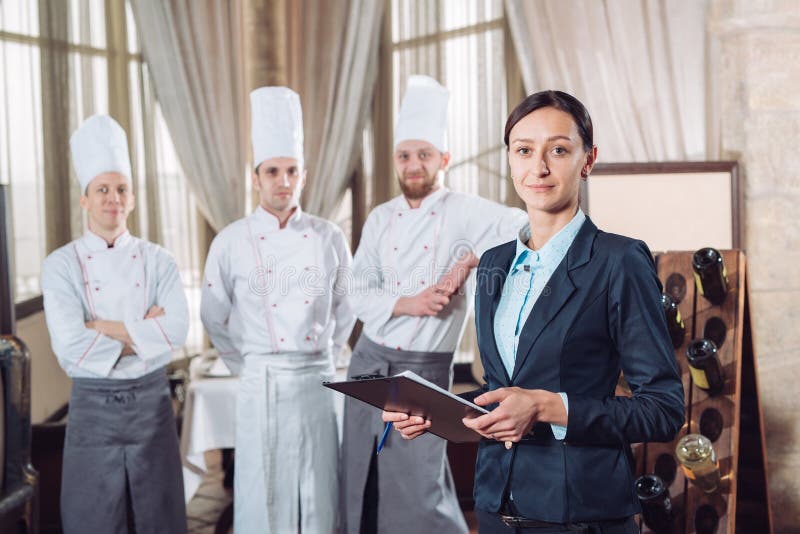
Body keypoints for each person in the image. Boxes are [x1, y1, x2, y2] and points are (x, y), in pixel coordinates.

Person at [385, 90, 686, 533]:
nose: (538, 167)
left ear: (588, 160)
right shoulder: (493, 262)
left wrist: (548, 407)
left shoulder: (618, 261)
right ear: (510, 159)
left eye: (558, 150)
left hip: (581, 512)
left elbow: (662, 409)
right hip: (496, 506)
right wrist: (434, 413)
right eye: (524, 150)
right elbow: (501, 394)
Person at [341, 75, 528, 534]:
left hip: (422, 368)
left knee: (417, 483)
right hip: (368, 360)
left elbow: (526, 226)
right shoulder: (382, 216)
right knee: (359, 476)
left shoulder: (465, 210)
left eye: (424, 155)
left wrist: (466, 262)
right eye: (405, 156)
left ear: (443, 159)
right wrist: (410, 301)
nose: (413, 165)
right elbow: (356, 290)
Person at [201, 86, 355, 534]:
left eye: (291, 171)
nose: (282, 181)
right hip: (260, 384)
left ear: (303, 176)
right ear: (256, 177)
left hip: (317, 380)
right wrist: (249, 363)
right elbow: (214, 317)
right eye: (273, 172)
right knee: (261, 494)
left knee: (319, 491)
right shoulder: (230, 241)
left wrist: (325, 352)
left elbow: (346, 308)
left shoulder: (329, 236)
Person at [41, 115, 189, 533]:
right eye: (102, 190)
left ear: (133, 198)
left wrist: (103, 327)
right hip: (92, 408)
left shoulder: (159, 259)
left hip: (152, 407)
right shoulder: (60, 265)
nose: (113, 199)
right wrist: (143, 331)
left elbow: (176, 329)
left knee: (161, 518)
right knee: (93, 519)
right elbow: (69, 343)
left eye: (121, 189)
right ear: (84, 199)